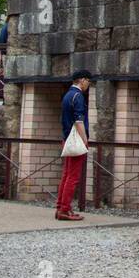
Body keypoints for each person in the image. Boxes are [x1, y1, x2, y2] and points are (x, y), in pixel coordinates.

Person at [56, 72, 93, 221]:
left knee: (66, 174)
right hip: (76, 139)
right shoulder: (78, 97)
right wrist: (85, 140)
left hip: (67, 138)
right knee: (73, 176)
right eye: (88, 81)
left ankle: (61, 206)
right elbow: (79, 121)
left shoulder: (67, 95)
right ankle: (65, 209)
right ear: (82, 80)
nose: (88, 84)